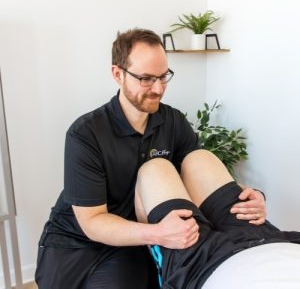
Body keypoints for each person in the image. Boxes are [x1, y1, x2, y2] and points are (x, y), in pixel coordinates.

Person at [35, 28, 267, 288]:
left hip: (133, 239)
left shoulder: (173, 122)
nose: (158, 88)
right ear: (118, 74)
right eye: (146, 79)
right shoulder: (86, 134)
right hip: (77, 240)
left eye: (163, 76)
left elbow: (201, 176)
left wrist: (246, 196)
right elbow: (92, 222)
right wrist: (158, 233)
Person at [134, 156, 300, 288]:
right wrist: (256, 195)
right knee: (199, 159)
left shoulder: (173, 122)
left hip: (200, 270)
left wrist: (156, 234)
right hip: (270, 241)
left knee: (153, 169)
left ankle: (161, 268)